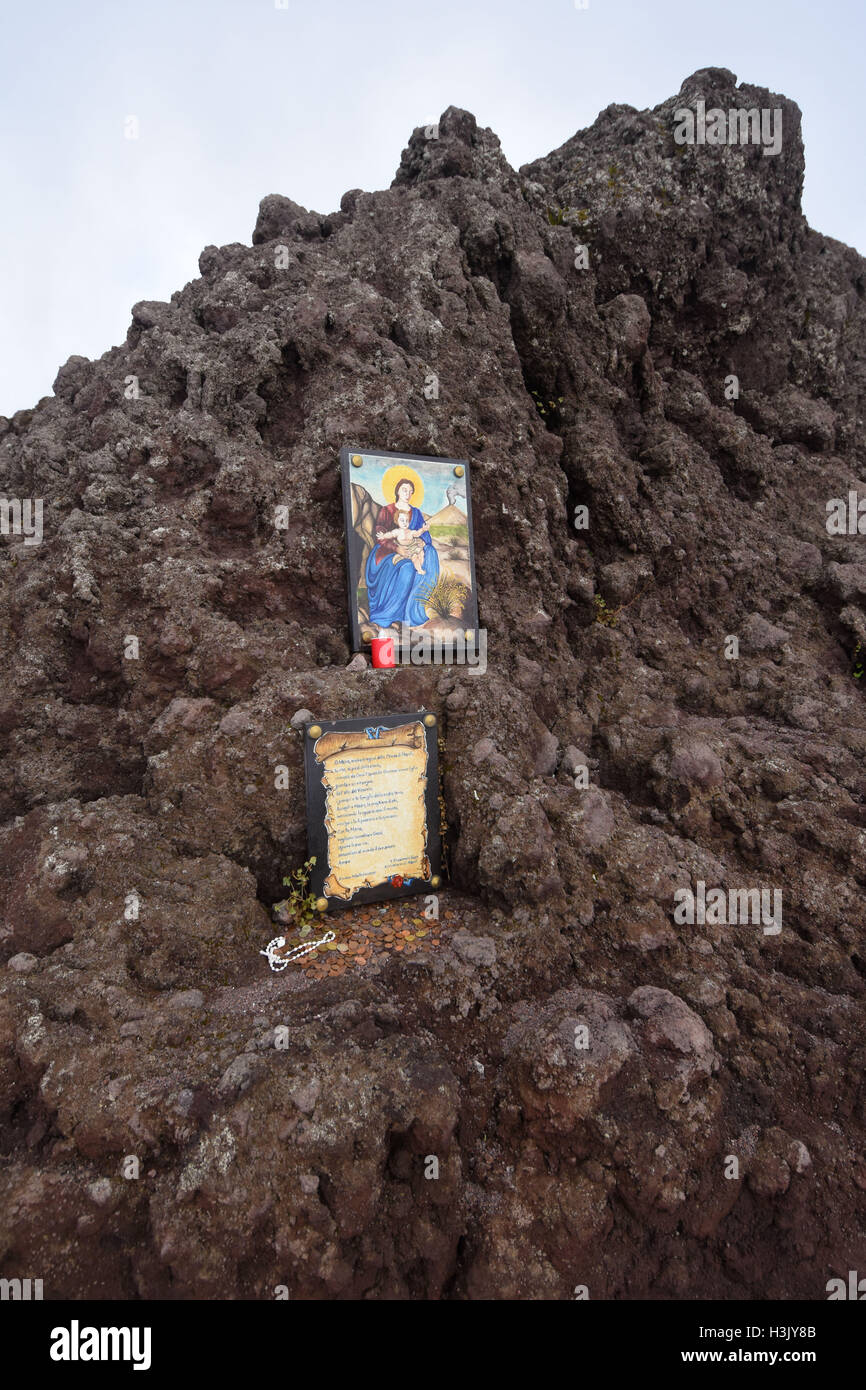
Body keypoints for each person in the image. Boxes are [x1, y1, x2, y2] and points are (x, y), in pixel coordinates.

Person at [364, 478, 439, 628]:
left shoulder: (416, 513)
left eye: (411, 491)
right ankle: (392, 613)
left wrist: (422, 542)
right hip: (389, 551)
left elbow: (424, 535)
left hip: (411, 547)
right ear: (397, 490)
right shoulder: (387, 511)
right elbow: (380, 536)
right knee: (407, 567)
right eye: (405, 490)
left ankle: (414, 610)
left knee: (431, 553)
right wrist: (397, 548)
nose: (408, 494)